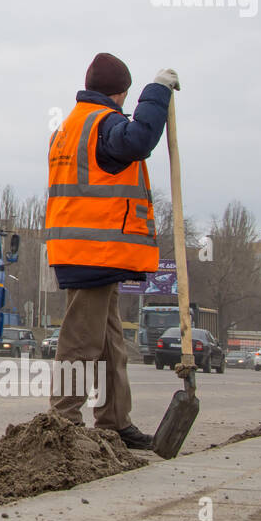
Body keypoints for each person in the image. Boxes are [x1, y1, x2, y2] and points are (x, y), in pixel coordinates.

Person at [44, 53, 180, 450]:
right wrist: (157, 93)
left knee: (109, 344)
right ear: (121, 93)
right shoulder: (104, 124)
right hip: (93, 251)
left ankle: (114, 421)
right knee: (81, 340)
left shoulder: (69, 127)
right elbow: (140, 140)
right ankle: (62, 421)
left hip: (84, 250)